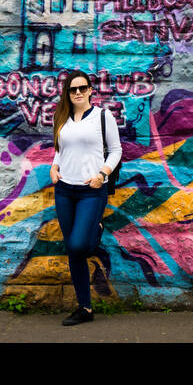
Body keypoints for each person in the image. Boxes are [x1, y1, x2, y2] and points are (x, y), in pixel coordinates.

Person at [49, 69, 121, 326]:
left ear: (91, 90)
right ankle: (85, 308)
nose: (77, 92)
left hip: (92, 190)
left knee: (80, 244)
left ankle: (96, 229)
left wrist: (102, 174)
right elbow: (60, 149)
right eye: (72, 89)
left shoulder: (102, 116)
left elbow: (116, 150)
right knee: (72, 250)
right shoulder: (63, 117)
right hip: (64, 190)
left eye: (82, 88)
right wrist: (54, 166)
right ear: (67, 93)